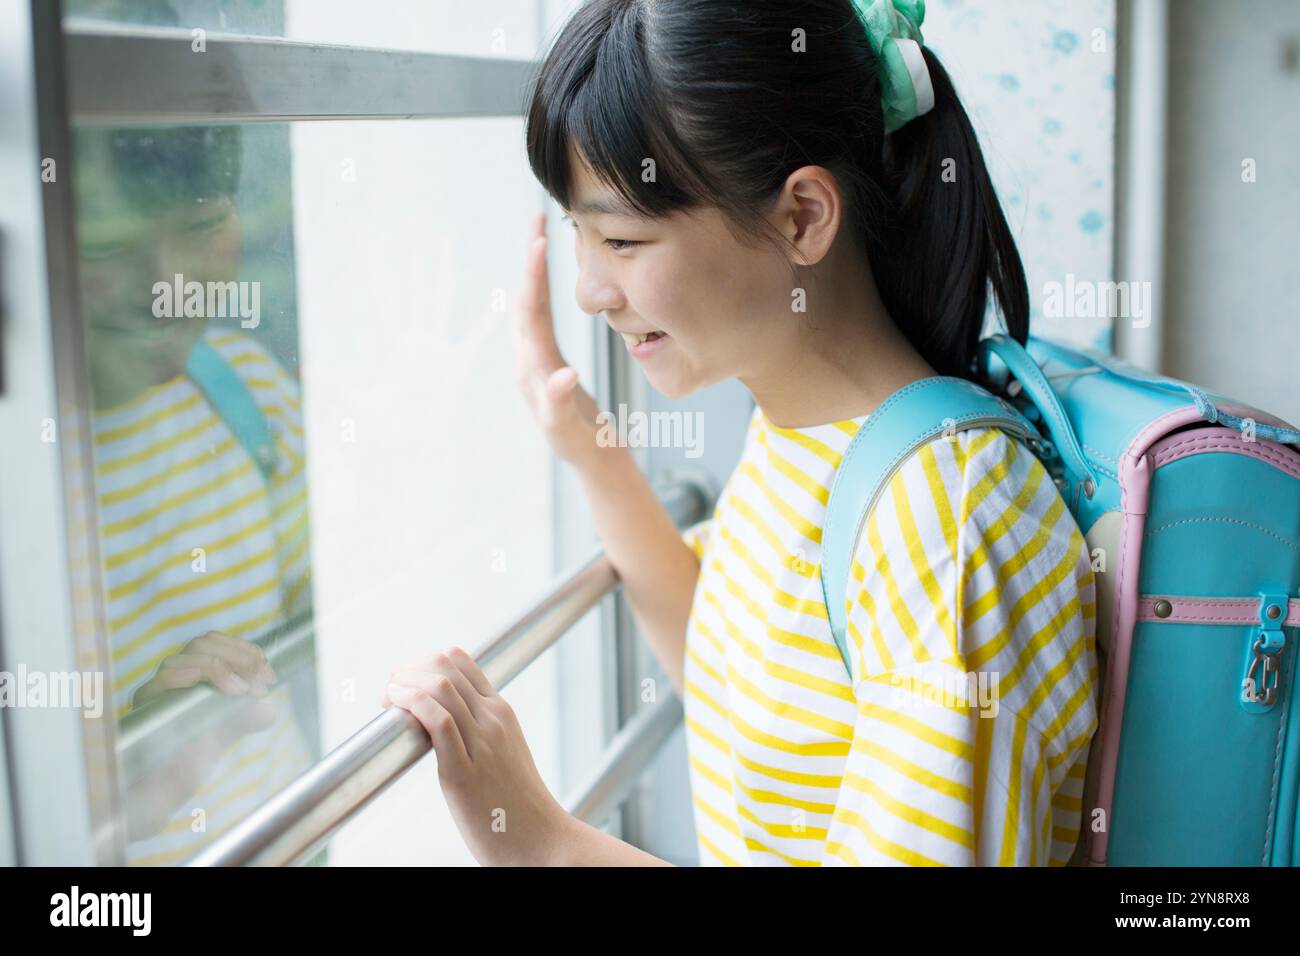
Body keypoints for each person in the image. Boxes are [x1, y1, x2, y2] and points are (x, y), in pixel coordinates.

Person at [383, 0, 1098, 866]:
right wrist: (585, 442)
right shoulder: (808, 435)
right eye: (579, 234)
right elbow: (744, 680)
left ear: (801, 217)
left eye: (621, 238)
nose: (589, 290)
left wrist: (543, 843)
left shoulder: (949, 521)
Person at [74, 124, 317, 865]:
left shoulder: (248, 396)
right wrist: (135, 778)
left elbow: (334, 618)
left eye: (205, 224)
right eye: (109, 246)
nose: (168, 284)